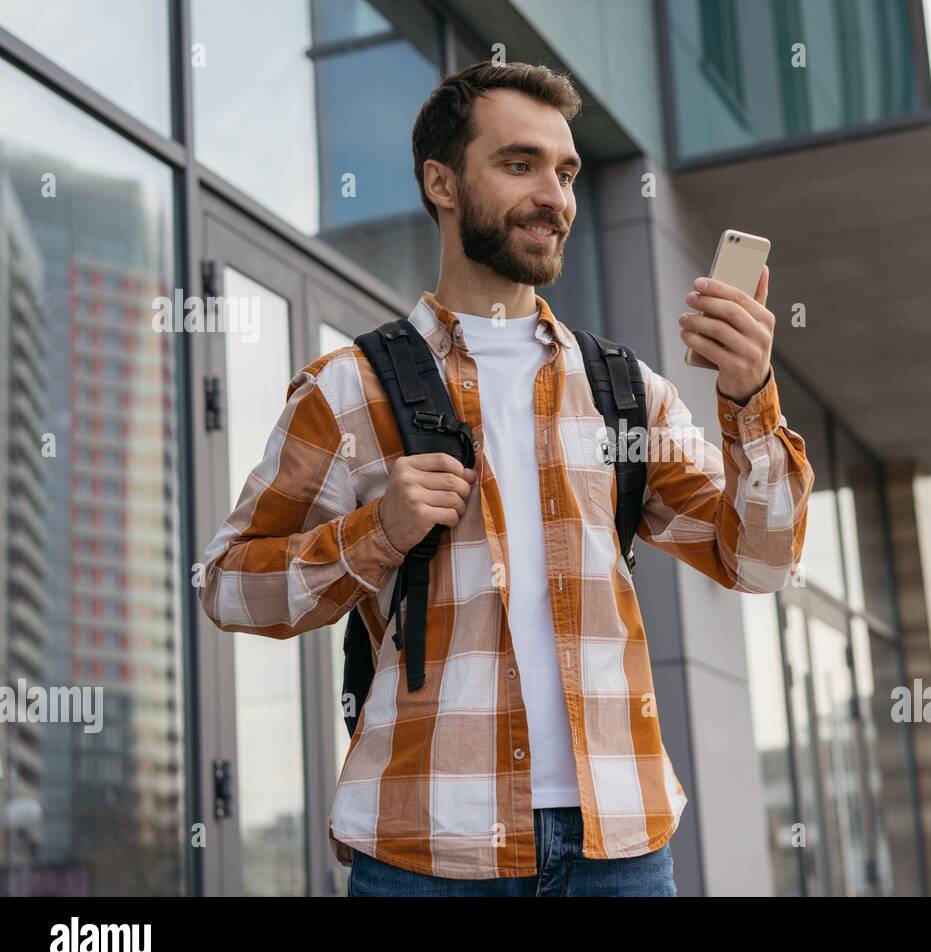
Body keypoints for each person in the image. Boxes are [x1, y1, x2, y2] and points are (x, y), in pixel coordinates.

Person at [199, 59, 814, 897]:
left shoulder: (627, 394)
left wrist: (748, 400)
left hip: (621, 852)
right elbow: (228, 584)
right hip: (427, 853)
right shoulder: (348, 391)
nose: (555, 197)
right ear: (441, 182)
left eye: (565, 173)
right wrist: (374, 535)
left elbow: (761, 560)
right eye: (519, 165)